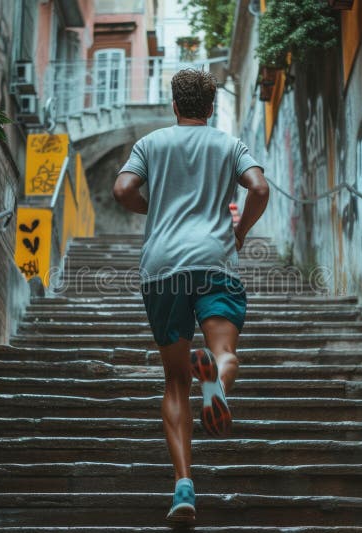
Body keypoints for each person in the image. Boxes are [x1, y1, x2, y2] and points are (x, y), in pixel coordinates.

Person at [112, 69, 269, 523]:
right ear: (211, 106)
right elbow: (259, 188)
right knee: (226, 351)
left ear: (175, 106)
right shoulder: (228, 144)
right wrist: (240, 231)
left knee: (175, 380)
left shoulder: (152, 143)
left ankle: (183, 488)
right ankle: (217, 379)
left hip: (162, 267)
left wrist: (154, 207)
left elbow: (123, 189)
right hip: (215, 261)